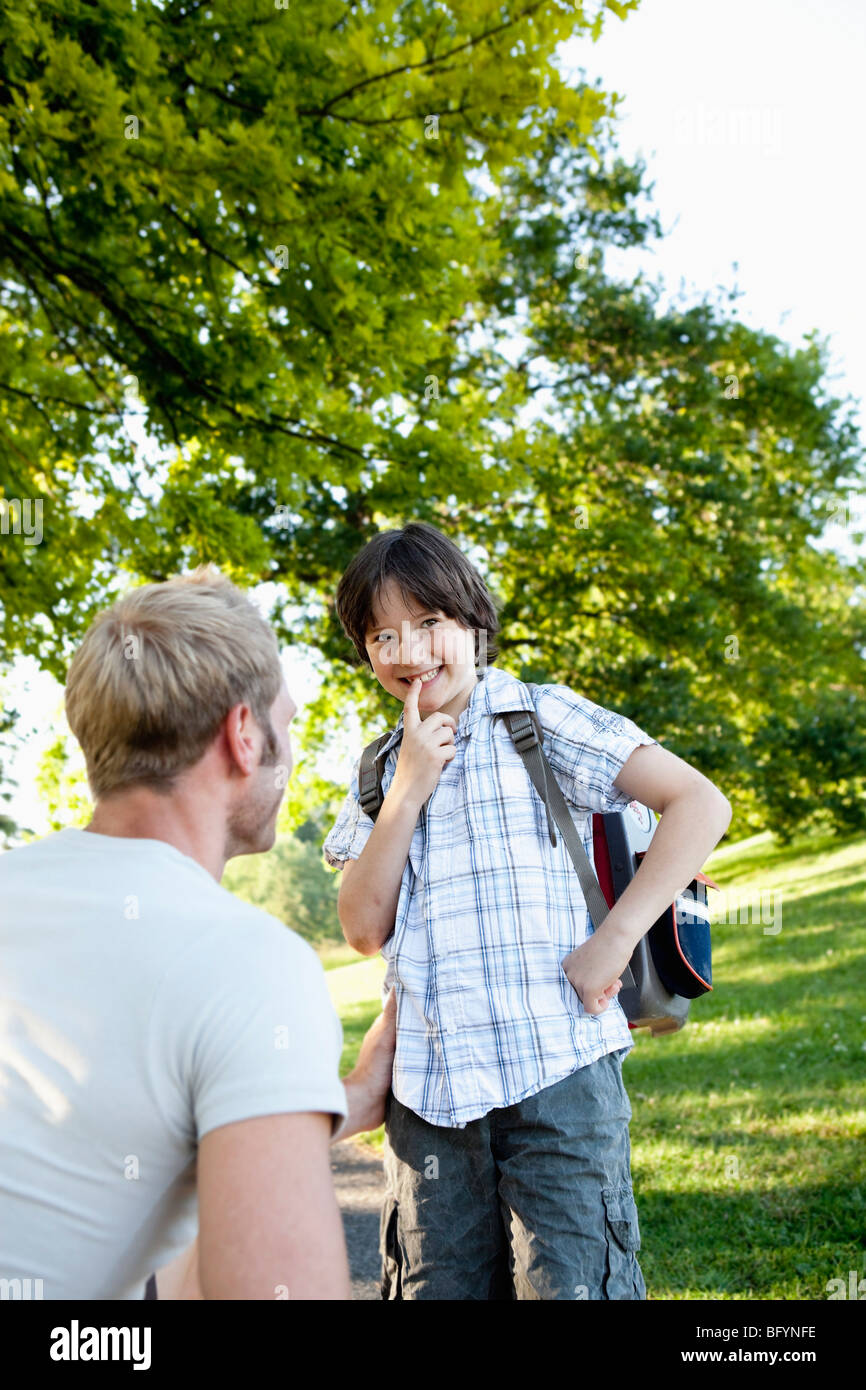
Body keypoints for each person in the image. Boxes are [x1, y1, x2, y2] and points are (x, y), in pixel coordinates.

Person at [322, 521, 732, 1301]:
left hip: (558, 1079)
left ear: (475, 622)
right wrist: (408, 787)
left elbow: (699, 804)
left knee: (572, 1287)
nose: (409, 651)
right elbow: (362, 929)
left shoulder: (541, 720)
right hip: (430, 1105)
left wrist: (614, 940)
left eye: (430, 622)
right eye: (382, 635)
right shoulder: (378, 767)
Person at [0, 567, 395, 1301]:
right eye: (289, 722)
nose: (293, 746)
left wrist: (338, 1099)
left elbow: (96, 1145)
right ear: (244, 735)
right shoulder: (246, 960)